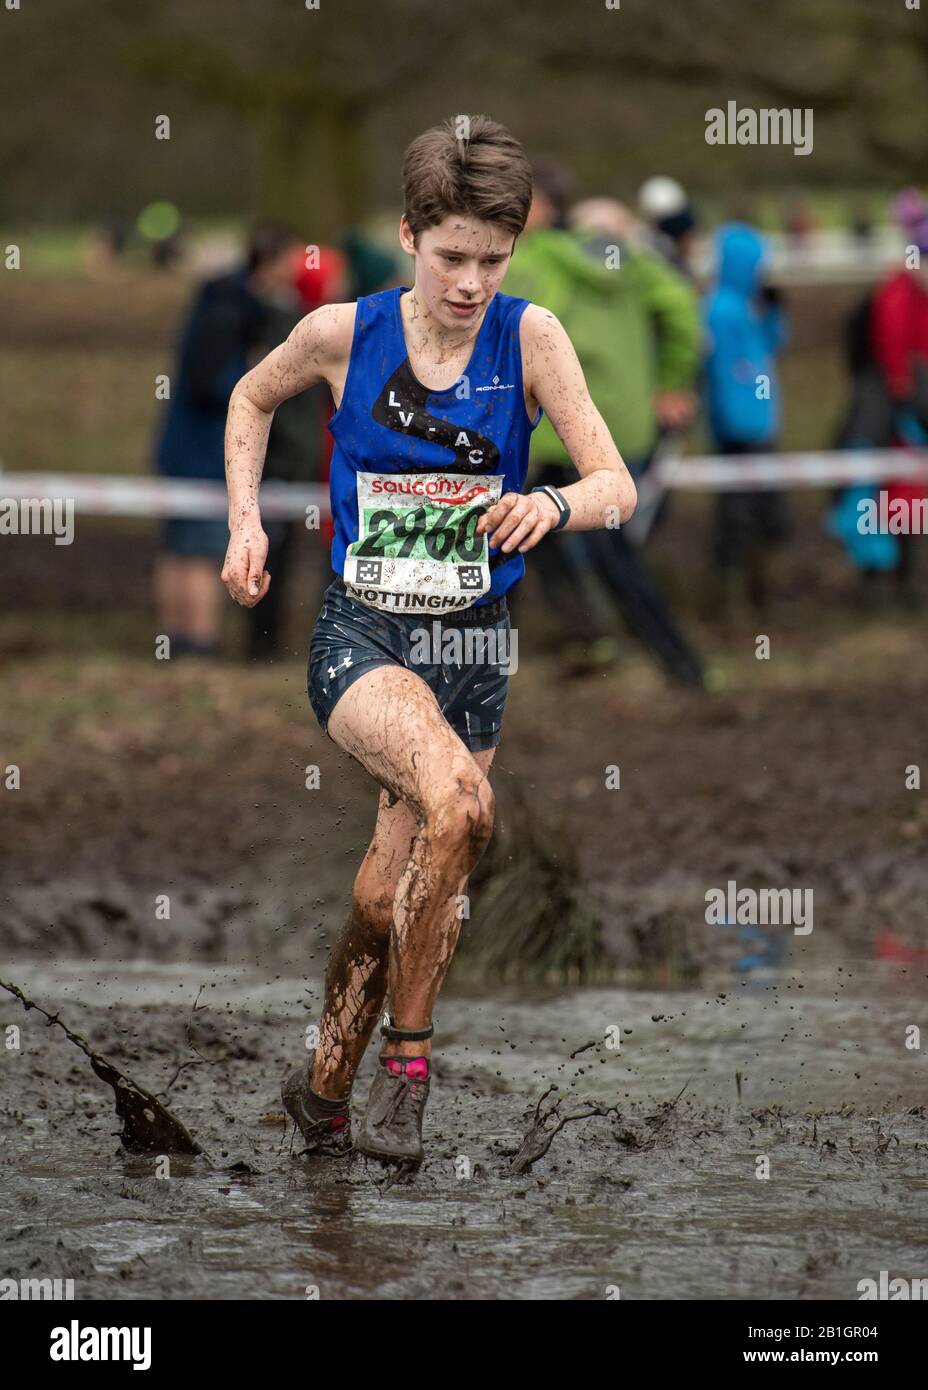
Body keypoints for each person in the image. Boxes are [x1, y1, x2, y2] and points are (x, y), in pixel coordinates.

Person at [221, 115, 637, 1163]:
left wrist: (553, 507)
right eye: (451, 257)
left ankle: (321, 1092)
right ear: (409, 235)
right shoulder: (340, 334)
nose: (469, 282)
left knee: (393, 881)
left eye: (492, 260)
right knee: (461, 803)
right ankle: (410, 1068)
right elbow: (248, 395)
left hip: (474, 649)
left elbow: (616, 485)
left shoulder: (530, 337)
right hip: (362, 635)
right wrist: (240, 522)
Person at [505, 176, 705, 685]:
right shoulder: (634, 261)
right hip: (625, 422)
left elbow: (500, 324)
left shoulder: (538, 257)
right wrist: (671, 383)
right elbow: (683, 312)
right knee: (547, 531)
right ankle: (604, 642)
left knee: (567, 538)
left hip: (559, 424)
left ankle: (673, 662)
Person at [153, 221, 302, 656]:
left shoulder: (221, 301)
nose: (295, 270)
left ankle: (178, 643)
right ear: (269, 261)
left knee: (179, 548)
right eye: (289, 260)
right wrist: (252, 377)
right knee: (199, 551)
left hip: (183, 447)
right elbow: (208, 384)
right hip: (201, 452)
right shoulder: (229, 312)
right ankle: (199, 644)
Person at [703, 222, 789, 616]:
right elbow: (724, 373)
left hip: (758, 426)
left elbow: (769, 349)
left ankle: (760, 594)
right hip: (741, 430)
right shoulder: (721, 310)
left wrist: (774, 313)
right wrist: (738, 423)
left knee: (765, 513)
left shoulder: (747, 306)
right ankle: (731, 601)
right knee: (737, 516)